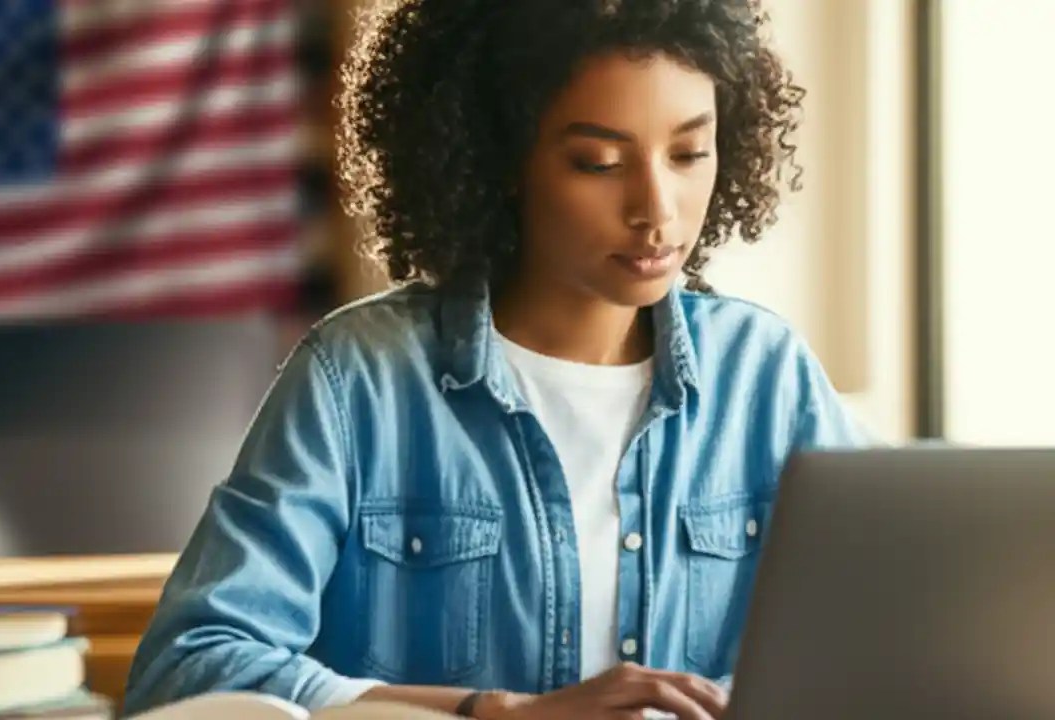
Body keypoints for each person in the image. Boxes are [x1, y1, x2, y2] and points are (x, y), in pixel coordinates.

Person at [123, 0, 868, 718]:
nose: (658, 208)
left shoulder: (767, 376)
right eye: (599, 162)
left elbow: (879, 642)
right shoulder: (357, 380)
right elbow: (188, 669)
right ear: (503, 159)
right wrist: (494, 714)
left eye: (688, 153)